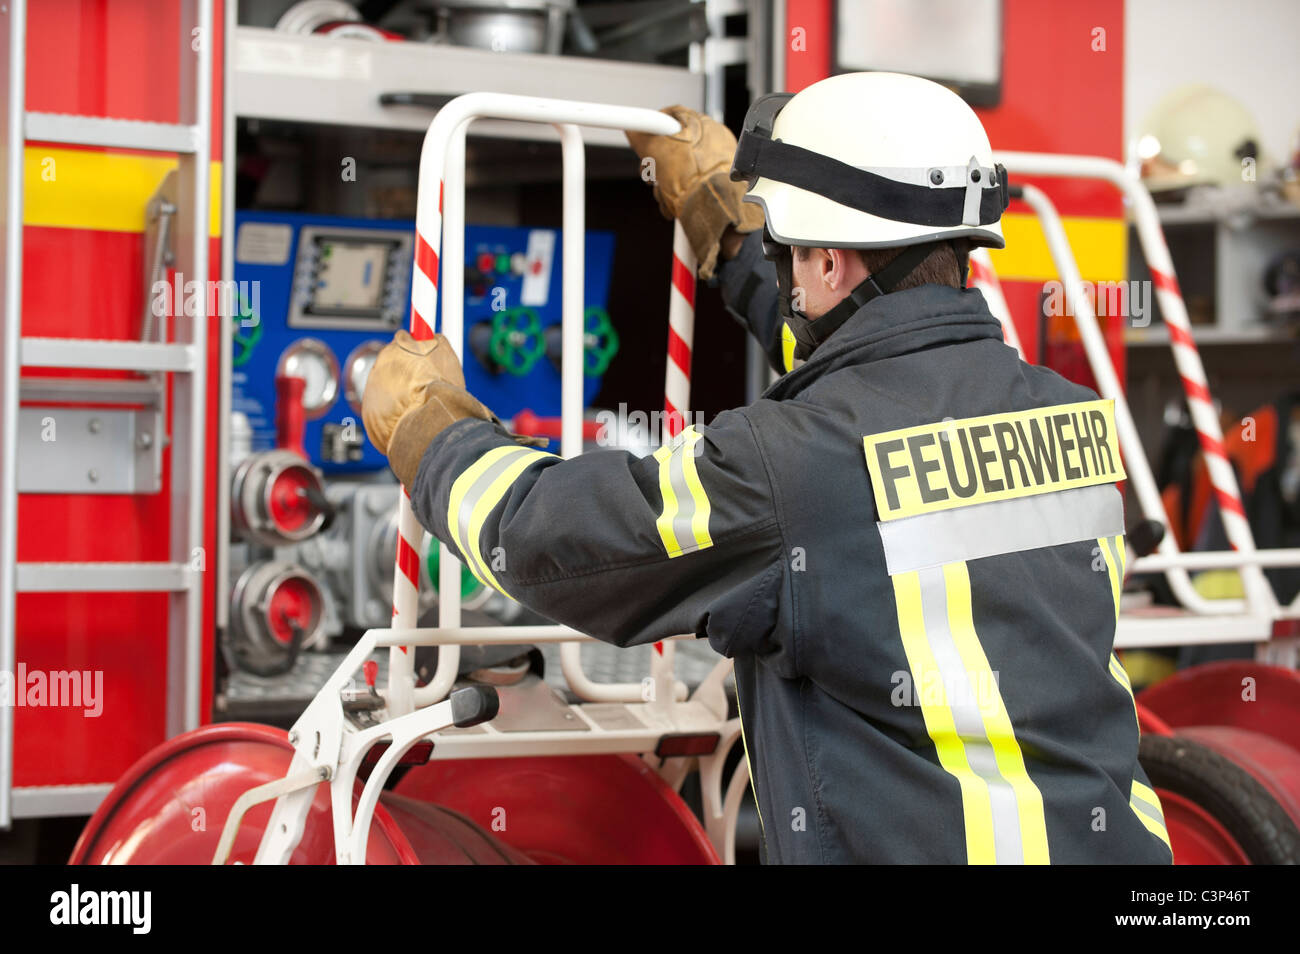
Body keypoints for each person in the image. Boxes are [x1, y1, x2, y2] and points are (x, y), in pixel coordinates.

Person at [362, 72, 1173, 864]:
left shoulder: (786, 467)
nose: (787, 280)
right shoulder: (1068, 415)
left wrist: (434, 435)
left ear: (826, 264)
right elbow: (876, 377)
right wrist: (733, 237)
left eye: (789, 256)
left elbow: (552, 540)